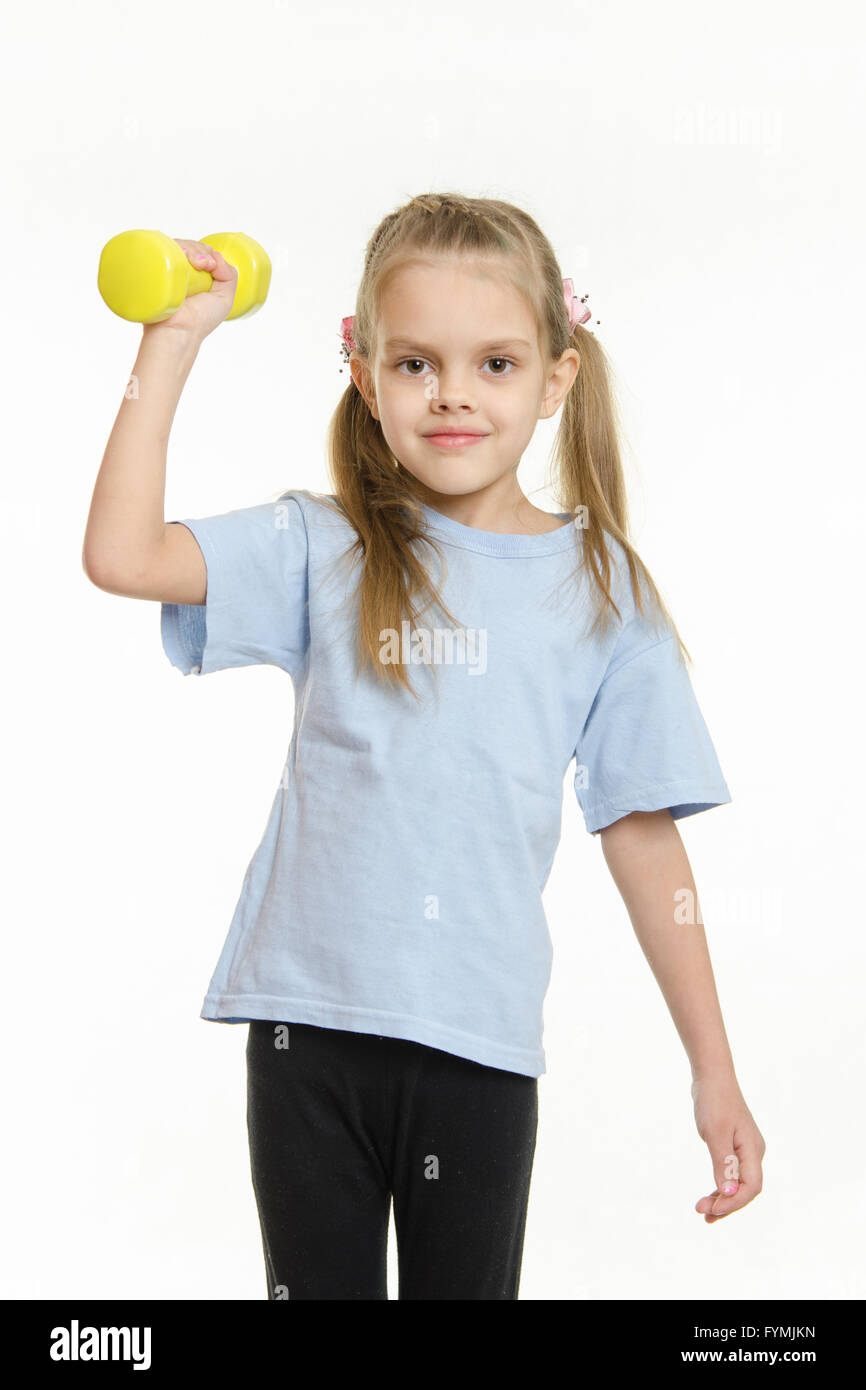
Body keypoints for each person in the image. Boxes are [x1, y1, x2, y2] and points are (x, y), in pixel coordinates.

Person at [83, 191, 765, 1300]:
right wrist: (169, 344)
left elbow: (642, 836)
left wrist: (714, 1069)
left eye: (494, 363)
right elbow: (121, 554)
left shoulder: (602, 593)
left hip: (476, 1056)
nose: (452, 392)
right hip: (308, 1036)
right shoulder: (325, 544)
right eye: (416, 364)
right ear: (363, 372)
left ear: (554, 376)